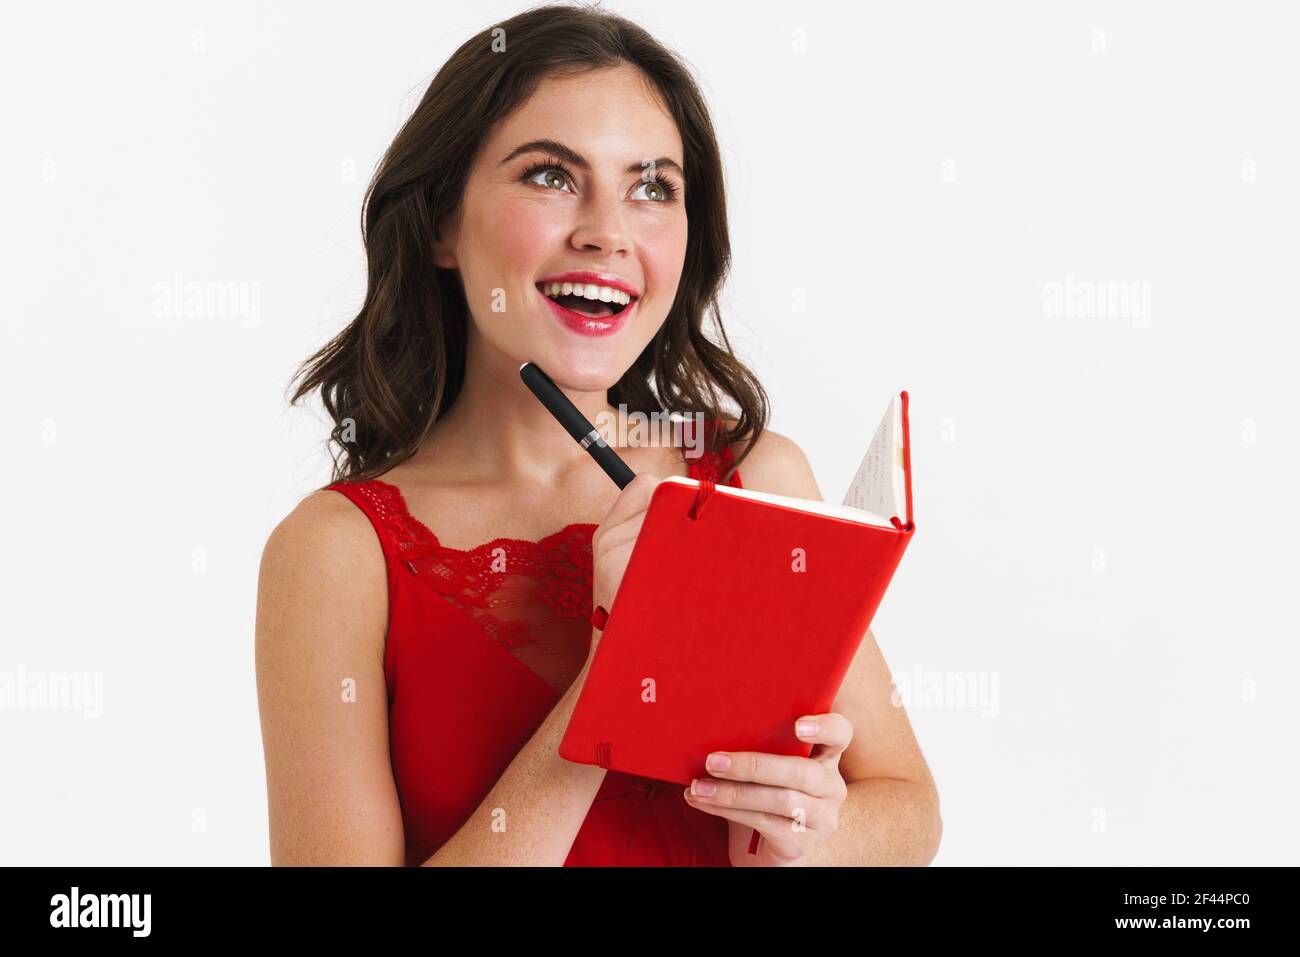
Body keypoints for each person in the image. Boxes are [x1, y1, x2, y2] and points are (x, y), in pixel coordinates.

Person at [255, 2, 940, 866]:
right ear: (439, 223)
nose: (608, 234)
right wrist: (616, 672)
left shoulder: (757, 475)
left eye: (652, 188)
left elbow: (910, 810)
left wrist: (803, 832)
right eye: (550, 175)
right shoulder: (334, 554)